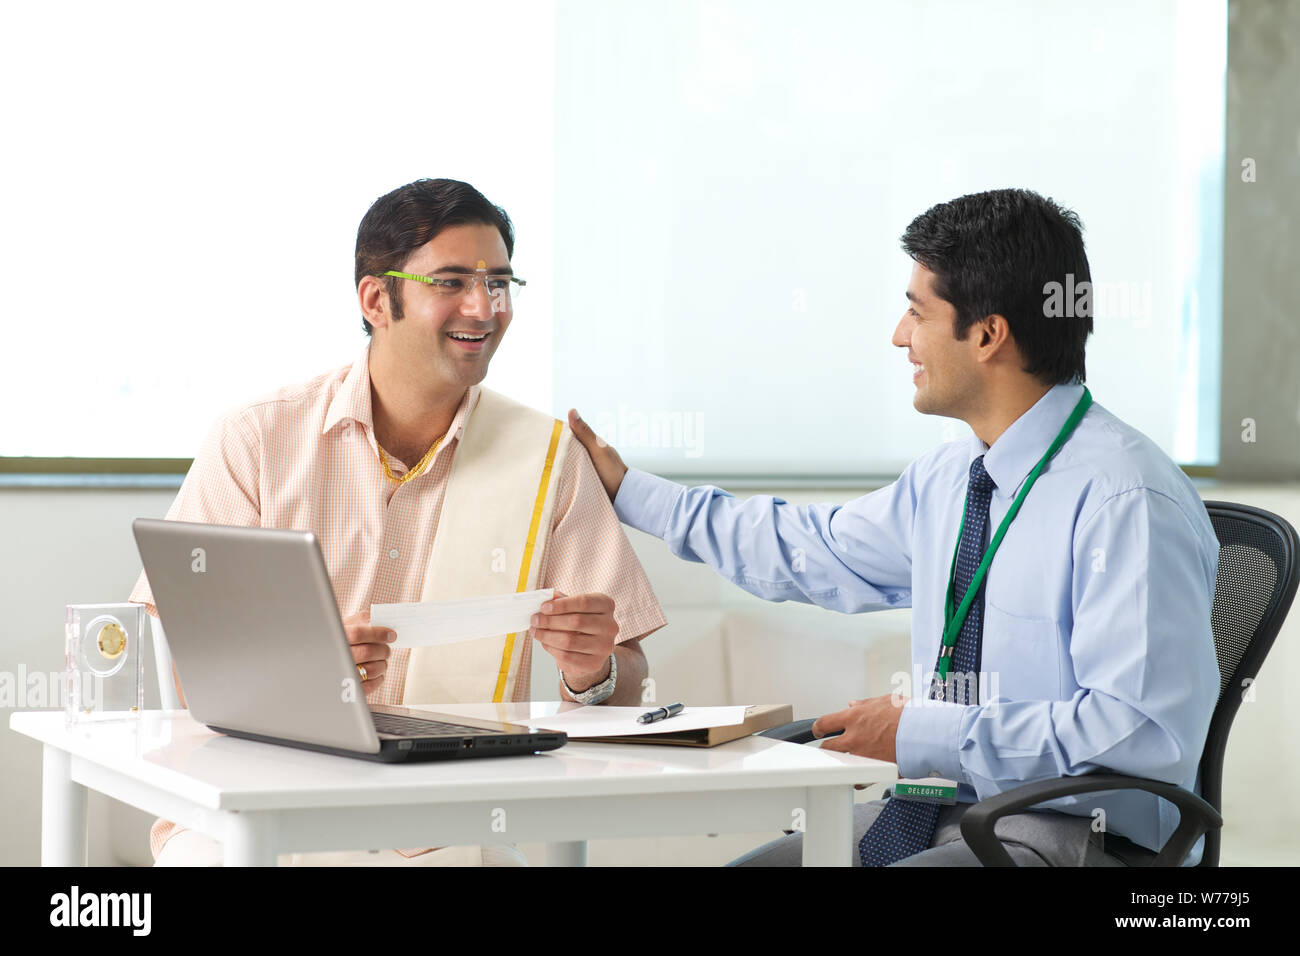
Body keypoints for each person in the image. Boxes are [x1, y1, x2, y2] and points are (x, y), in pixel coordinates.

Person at [568, 188, 1220, 867]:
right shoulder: (953, 477)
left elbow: (1141, 734)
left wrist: (924, 732)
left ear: (988, 334)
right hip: (937, 812)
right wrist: (629, 492)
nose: (899, 336)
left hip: (1069, 835)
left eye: (917, 312)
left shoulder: (1127, 501)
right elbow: (807, 549)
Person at [129, 178, 666, 866]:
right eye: (452, 281)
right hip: (257, 820)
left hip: (450, 829)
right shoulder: (257, 440)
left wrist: (590, 673)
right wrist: (303, 673)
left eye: (500, 283)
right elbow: (192, 650)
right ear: (377, 299)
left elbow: (630, 680)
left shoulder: (547, 459)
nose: (485, 307)